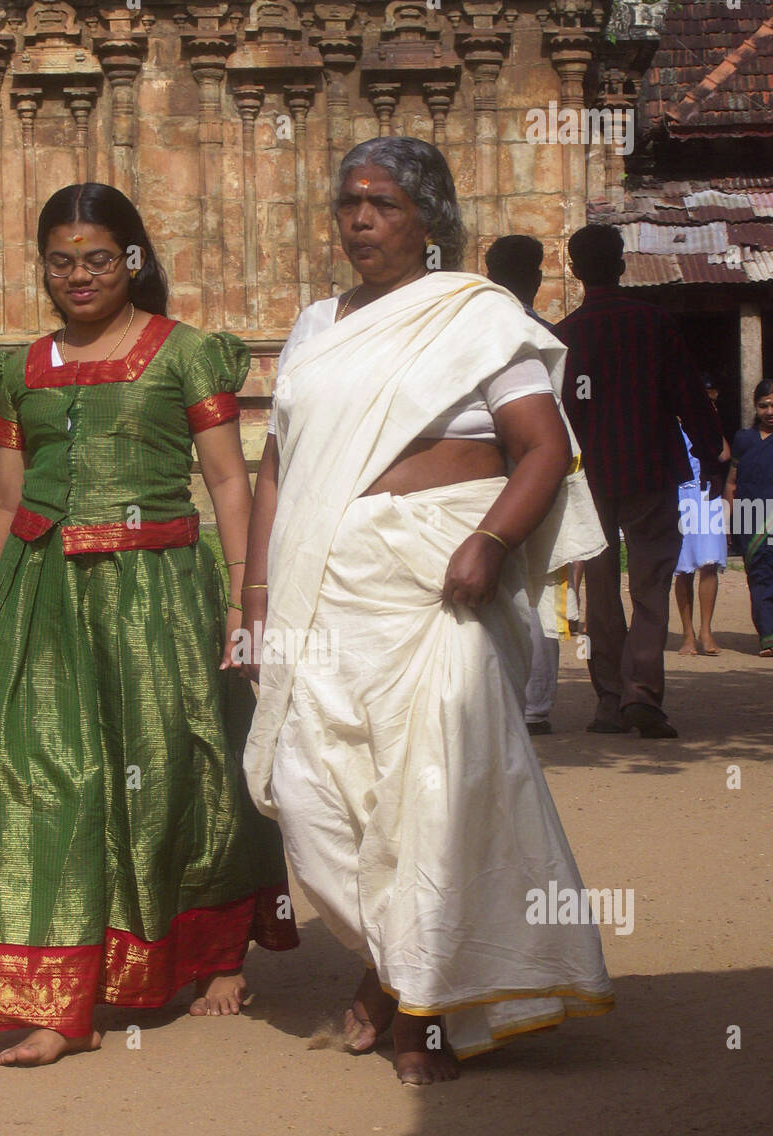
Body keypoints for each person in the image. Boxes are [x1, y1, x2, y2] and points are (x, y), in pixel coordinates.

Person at [241, 138, 614, 1086]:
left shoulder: (475, 318)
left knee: (434, 793)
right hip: (323, 577)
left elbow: (540, 448)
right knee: (310, 790)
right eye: (348, 203)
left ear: (429, 220)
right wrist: (253, 592)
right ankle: (398, 966)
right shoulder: (316, 326)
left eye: (383, 204)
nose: (360, 220)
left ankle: (425, 1005)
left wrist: (489, 542)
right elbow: (278, 463)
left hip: (437, 579)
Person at [0, 183, 296, 1066]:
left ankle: (214, 953)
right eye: (61, 261)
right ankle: (62, 999)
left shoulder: (186, 355)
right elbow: (3, 499)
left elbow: (225, 482)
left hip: (157, 598)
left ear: (131, 260)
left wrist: (242, 598)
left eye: (98, 259)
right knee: (43, 782)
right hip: (40, 605)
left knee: (182, 771)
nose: (79, 277)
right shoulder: (20, 368)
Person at [554, 225, 723, 738]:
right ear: (622, 264)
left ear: (576, 270)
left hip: (590, 477)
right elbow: (687, 394)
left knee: (601, 589)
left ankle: (609, 702)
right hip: (650, 468)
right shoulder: (653, 323)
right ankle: (642, 696)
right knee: (650, 585)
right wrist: (711, 452)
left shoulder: (563, 336)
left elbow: (554, 414)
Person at [486, 234, 560, 733]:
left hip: (491, 483)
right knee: (544, 591)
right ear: (536, 278)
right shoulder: (549, 334)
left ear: (488, 274)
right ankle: (534, 706)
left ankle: (505, 700)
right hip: (545, 480)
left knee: (496, 588)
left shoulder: (478, 331)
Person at [727, 379, 773, 656]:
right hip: (750, 521)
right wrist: (730, 520)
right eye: (763, 405)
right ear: (755, 407)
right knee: (759, 578)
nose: (769, 411)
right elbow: (732, 482)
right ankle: (768, 637)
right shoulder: (743, 440)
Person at [674, 425, 727, 656]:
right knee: (684, 567)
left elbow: (724, 454)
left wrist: (710, 422)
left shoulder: (703, 421)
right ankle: (688, 634)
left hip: (708, 493)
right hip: (678, 493)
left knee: (710, 562)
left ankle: (706, 630)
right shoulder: (666, 422)